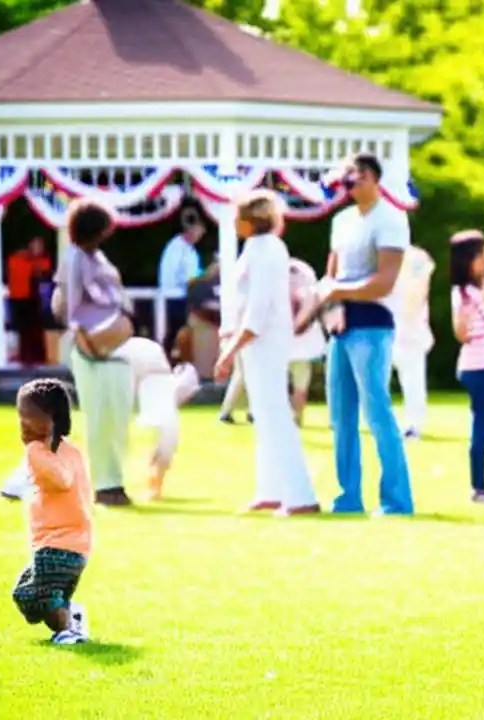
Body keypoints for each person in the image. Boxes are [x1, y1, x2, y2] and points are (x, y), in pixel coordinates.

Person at [65, 200, 199, 505]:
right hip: (99, 354)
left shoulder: (94, 258)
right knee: (102, 421)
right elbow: (73, 310)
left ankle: (114, 481)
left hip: (115, 352)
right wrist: (94, 347)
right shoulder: (75, 261)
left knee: (116, 420)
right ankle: (106, 486)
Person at [311, 152, 414, 516]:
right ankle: (348, 497)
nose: (345, 185)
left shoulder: (391, 219)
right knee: (340, 415)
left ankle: (396, 501)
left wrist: (337, 292)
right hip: (341, 325)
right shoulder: (341, 221)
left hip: (373, 324)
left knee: (377, 411)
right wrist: (329, 305)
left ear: (370, 177)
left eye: (351, 178)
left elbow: (383, 282)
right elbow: (331, 275)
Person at [215, 191, 320, 515]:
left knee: (275, 414)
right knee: (264, 415)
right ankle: (271, 489)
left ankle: (301, 495)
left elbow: (260, 308)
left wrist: (231, 349)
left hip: (265, 342)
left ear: (250, 220)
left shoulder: (268, 250)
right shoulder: (256, 248)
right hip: (255, 343)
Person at [11, 379, 92, 645]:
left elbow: (62, 480)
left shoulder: (39, 451)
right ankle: (69, 617)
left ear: (50, 418)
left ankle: (69, 625)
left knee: (31, 594)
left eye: (29, 416)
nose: (22, 422)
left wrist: (36, 449)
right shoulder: (70, 450)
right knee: (31, 593)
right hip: (75, 543)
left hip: (58, 543)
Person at [450, 229, 484, 505]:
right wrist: (470, 312)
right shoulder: (463, 294)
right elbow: (460, 332)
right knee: (482, 427)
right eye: (482, 256)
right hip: (480, 366)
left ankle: (480, 486)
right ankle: (479, 488)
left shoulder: (479, 290)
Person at [392, 244, 436, 439]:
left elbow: (420, 291)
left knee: (413, 380)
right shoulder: (378, 251)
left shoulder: (417, 257)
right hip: (385, 324)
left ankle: (413, 424)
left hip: (410, 328)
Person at [157, 208, 206, 358]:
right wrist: (210, 273)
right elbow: (189, 278)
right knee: (176, 333)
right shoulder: (177, 247)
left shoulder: (188, 248)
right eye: (199, 231)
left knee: (177, 333)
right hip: (174, 297)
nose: (200, 235)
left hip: (181, 296)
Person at [289, 257, 328, 427]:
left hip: (282, 343)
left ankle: (287, 417)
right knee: (300, 384)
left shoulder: (276, 286)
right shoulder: (309, 289)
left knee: (276, 383)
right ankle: (297, 417)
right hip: (303, 344)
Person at [7, 237, 52, 366]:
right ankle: (25, 357)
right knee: (24, 330)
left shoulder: (42, 260)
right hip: (22, 299)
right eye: (36, 245)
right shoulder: (19, 259)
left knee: (36, 330)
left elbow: (45, 270)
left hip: (36, 300)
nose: (38, 248)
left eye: (40, 246)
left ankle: (38, 358)